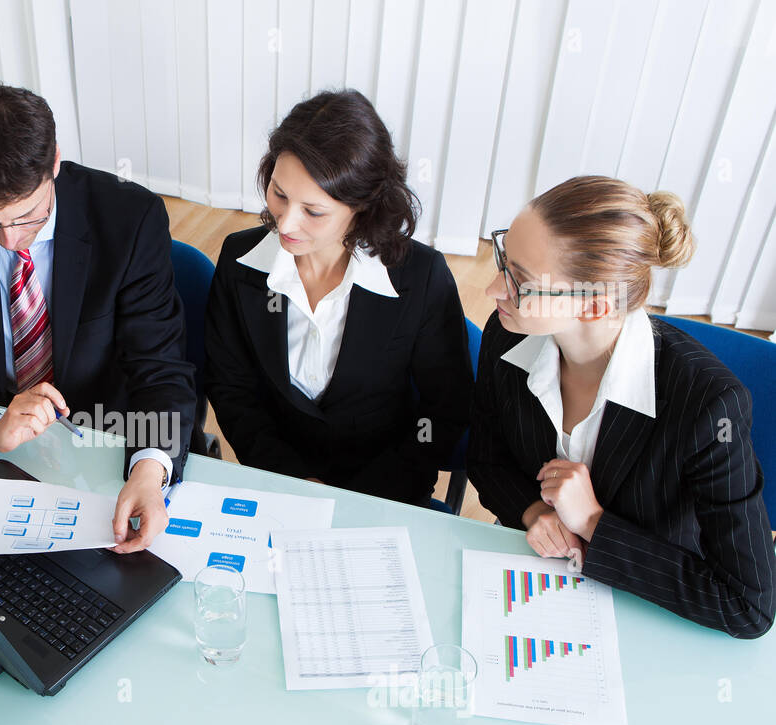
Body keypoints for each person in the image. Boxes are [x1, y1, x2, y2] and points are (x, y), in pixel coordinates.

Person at [0, 82, 196, 552]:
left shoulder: (130, 216)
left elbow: (161, 368)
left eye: (27, 216)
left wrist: (149, 470)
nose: (9, 240)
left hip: (106, 439)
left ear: (55, 165)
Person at [468, 175, 775, 638]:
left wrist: (592, 522)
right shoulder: (508, 331)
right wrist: (536, 513)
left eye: (521, 281)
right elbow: (486, 458)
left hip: (652, 604)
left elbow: (748, 606)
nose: (493, 289)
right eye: (503, 260)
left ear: (594, 306)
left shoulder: (710, 407)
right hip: (531, 583)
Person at [203, 89, 472, 505]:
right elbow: (232, 389)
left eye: (313, 211)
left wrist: (360, 499)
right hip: (278, 483)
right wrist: (294, 481)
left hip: (386, 493)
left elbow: (444, 412)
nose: (286, 222)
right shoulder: (240, 260)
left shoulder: (421, 278)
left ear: (362, 207)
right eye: (279, 193)